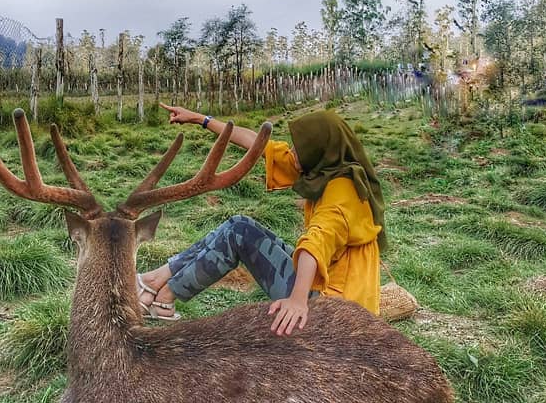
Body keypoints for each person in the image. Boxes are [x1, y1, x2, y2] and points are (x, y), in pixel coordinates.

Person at [136, 105, 385, 337]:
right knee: (238, 225)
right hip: (327, 281)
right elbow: (259, 144)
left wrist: (297, 301)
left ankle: (165, 297)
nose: (292, 151)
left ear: (318, 149)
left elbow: (315, 244)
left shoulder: (343, 191)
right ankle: (156, 279)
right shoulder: (324, 167)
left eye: (300, 147)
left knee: (240, 235)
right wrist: (201, 119)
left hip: (336, 312)